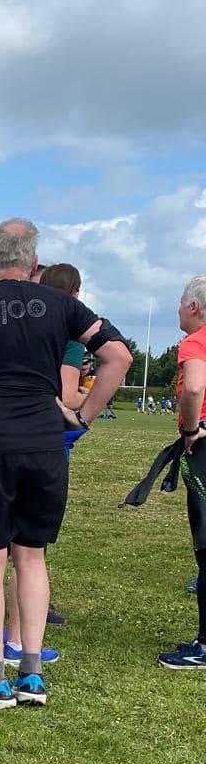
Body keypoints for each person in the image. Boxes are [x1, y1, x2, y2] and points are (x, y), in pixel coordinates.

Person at [0, 220, 130, 709]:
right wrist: (82, 417)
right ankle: (31, 673)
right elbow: (117, 357)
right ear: (34, 266)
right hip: (44, 440)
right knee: (31, 556)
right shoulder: (64, 306)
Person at [3, 261, 88, 663]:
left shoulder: (14, 324)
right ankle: (19, 643)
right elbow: (67, 394)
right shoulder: (68, 333)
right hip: (44, 441)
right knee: (28, 552)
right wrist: (88, 405)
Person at [157, 276, 206, 669]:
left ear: (193, 307)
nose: (177, 309)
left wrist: (191, 430)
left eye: (179, 302)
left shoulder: (195, 342)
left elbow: (193, 388)